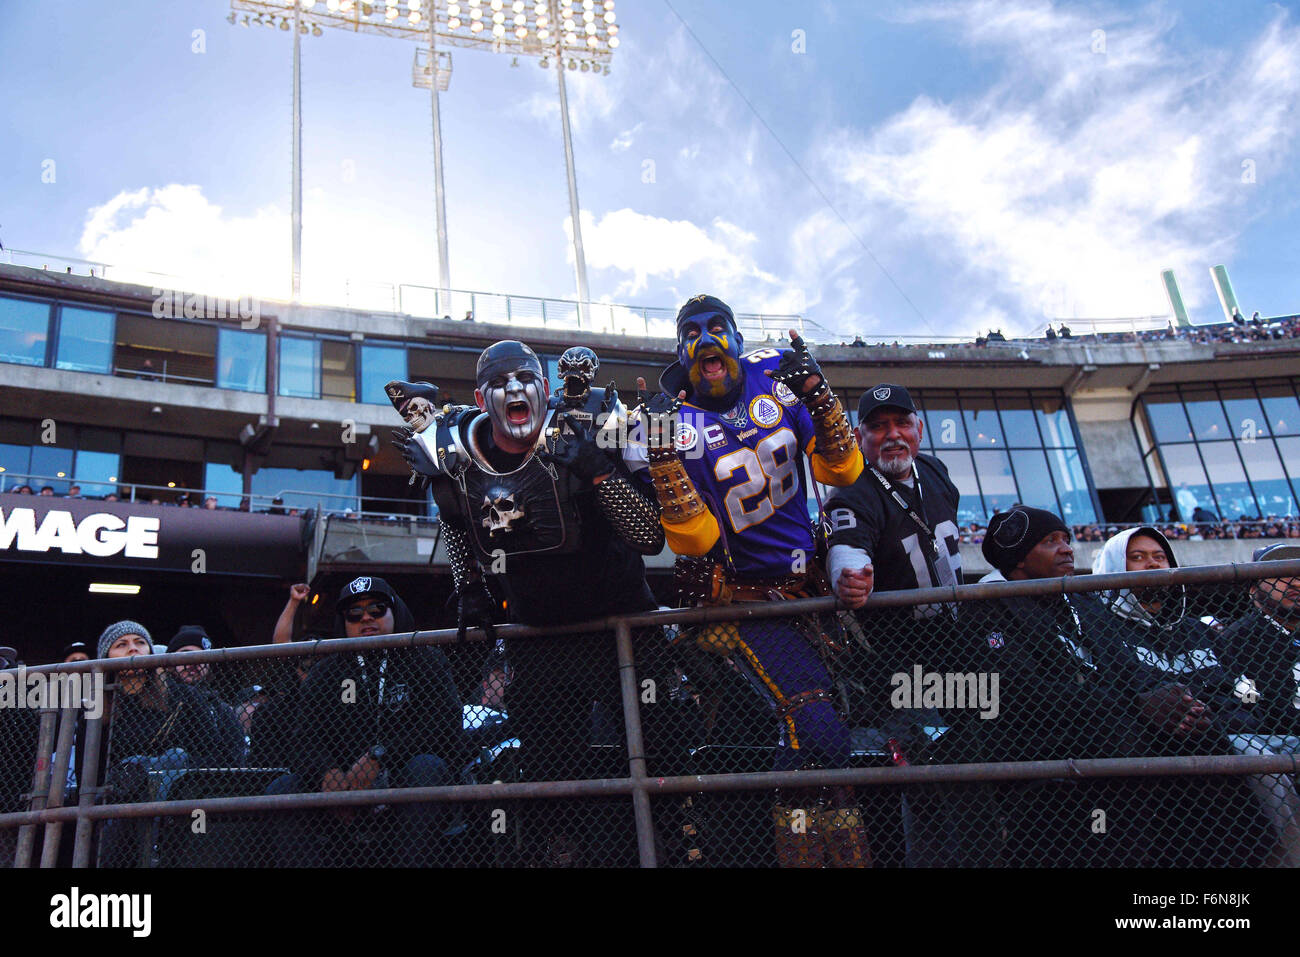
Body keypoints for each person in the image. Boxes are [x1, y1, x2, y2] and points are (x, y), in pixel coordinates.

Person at [390, 342, 664, 865]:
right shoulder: (451, 454)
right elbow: (454, 520)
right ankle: (559, 853)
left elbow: (650, 535)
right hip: (539, 632)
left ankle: (665, 846)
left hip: (621, 620)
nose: (514, 389)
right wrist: (468, 585)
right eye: (500, 381)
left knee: (658, 745)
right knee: (547, 769)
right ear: (479, 397)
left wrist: (598, 470)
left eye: (525, 377)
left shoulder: (590, 424)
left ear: (545, 388)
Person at [630, 295, 868, 867]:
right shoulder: (665, 420)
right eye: (691, 332)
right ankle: (808, 856)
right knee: (813, 721)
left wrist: (819, 395)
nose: (706, 339)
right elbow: (692, 540)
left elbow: (842, 470)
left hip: (809, 593)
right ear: (680, 351)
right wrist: (663, 461)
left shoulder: (776, 382)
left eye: (717, 328)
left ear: (736, 338)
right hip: (740, 599)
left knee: (824, 726)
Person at [823, 383, 971, 865]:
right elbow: (846, 543)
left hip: (958, 641)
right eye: (878, 427)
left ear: (919, 430)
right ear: (860, 436)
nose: (893, 436)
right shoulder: (853, 486)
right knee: (926, 771)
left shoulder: (934, 470)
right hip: (901, 654)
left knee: (979, 758)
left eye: (901, 423)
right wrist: (849, 577)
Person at [966, 507, 1152, 866]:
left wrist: (1157, 698)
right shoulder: (987, 605)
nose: (1067, 549)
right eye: (1050, 541)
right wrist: (1132, 704)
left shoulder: (1083, 599)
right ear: (1018, 558)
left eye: (1066, 540)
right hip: (1038, 745)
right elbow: (1021, 694)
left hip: (1112, 728)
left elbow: (1125, 665)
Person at [1092, 526, 1282, 865]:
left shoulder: (1195, 629)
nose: (1152, 564)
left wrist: (1212, 712)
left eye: (1159, 556)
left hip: (1233, 736)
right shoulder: (1101, 631)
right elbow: (1122, 696)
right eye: (1136, 558)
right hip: (1163, 754)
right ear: (1113, 567)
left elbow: (1239, 693)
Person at [269, 576, 462, 867]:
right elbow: (303, 738)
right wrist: (327, 774)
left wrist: (380, 757)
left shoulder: (425, 658)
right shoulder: (326, 672)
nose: (366, 618)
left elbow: (445, 725)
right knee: (282, 788)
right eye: (354, 614)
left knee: (426, 768)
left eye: (377, 609)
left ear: (394, 611)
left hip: (401, 783)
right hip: (342, 792)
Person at [95, 621, 235, 867]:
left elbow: (216, 755)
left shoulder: (182, 697)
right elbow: (93, 772)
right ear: (106, 656)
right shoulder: (97, 707)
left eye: (140, 643)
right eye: (121, 644)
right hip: (119, 804)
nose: (133, 649)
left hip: (181, 798)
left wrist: (165, 765)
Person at [168, 626, 245, 765]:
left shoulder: (220, 709)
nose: (195, 662)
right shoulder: (156, 700)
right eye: (186, 654)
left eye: (203, 657)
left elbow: (235, 757)